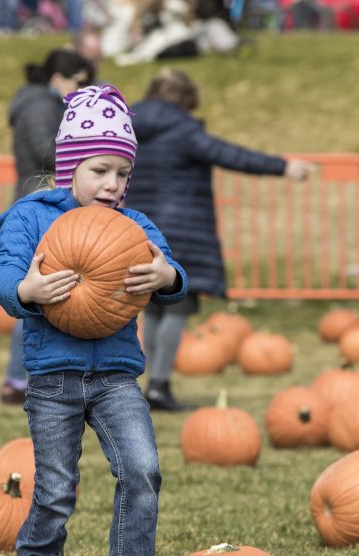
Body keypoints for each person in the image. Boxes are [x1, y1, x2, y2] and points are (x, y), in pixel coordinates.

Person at [0, 84, 188, 556]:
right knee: (54, 489)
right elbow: (1, 271)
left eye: (122, 174)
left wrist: (167, 276)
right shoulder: (32, 217)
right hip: (53, 378)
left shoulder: (133, 226)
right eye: (101, 171)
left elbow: (169, 267)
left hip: (116, 377)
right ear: (71, 166)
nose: (113, 185)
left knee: (143, 470)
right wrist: (25, 291)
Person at [124, 68, 312, 410]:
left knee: (152, 307)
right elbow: (230, 155)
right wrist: (281, 166)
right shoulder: (181, 129)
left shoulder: (130, 131)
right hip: (182, 230)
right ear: (184, 99)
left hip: (141, 229)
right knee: (178, 305)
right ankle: (159, 385)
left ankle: (146, 383)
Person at [0, 48, 94, 405]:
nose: (84, 89)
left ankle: (28, 375)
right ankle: (17, 377)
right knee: (36, 291)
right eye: (80, 82)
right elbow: (50, 154)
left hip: (42, 196)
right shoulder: (41, 107)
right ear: (58, 79)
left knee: (45, 290)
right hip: (41, 199)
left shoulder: (41, 104)